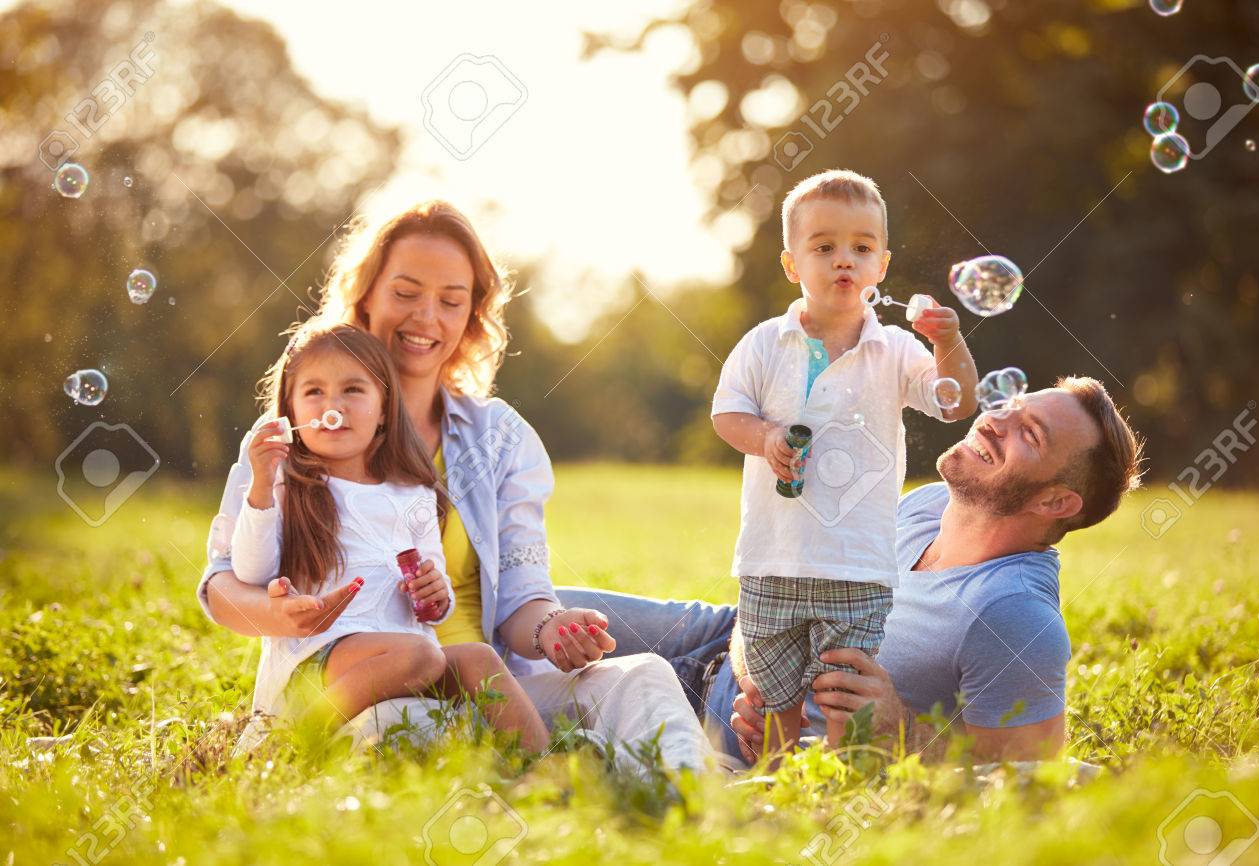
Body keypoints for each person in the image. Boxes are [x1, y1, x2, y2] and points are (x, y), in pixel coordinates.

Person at [199, 200, 711, 771]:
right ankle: (533, 793)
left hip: (489, 693)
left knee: (643, 675)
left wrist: (550, 627)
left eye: (450, 301)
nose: (426, 318)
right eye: (406, 292)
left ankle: (688, 809)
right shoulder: (291, 438)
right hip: (362, 693)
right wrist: (278, 615)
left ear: (472, 317)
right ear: (366, 295)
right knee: (404, 729)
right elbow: (223, 582)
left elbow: (522, 596)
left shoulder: (499, 437)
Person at [560, 377, 1143, 764]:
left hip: (732, 740)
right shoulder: (931, 503)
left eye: (1029, 434)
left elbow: (1022, 790)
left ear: (1056, 503)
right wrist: (761, 672)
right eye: (1010, 407)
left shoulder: (1015, 618)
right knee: (529, 610)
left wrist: (898, 733)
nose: (995, 420)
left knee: (541, 693)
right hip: (719, 637)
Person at [710, 169, 977, 753]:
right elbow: (726, 413)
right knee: (775, 684)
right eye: (824, 247)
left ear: (882, 266)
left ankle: (840, 766)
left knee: (843, 682)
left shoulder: (896, 349)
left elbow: (954, 402)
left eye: (861, 248)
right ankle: (775, 770)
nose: (843, 262)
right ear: (791, 266)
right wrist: (764, 438)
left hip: (857, 560)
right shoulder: (763, 343)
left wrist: (947, 342)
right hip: (773, 554)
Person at [228, 320, 549, 750]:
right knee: (420, 654)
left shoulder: (413, 492)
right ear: (291, 414)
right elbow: (249, 572)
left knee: (479, 659)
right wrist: (262, 487)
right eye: (314, 392)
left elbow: (434, 605)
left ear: (384, 410)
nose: (333, 405)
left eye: (353, 390)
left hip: (411, 658)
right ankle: (294, 738)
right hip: (318, 661)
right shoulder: (289, 486)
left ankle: (543, 767)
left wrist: (437, 595)